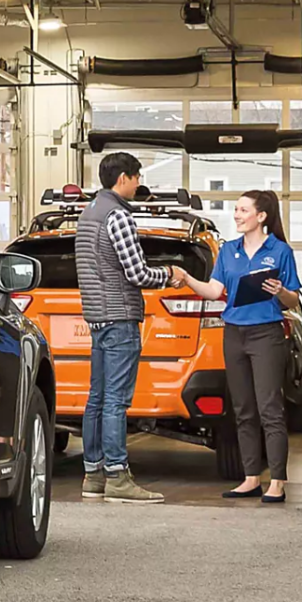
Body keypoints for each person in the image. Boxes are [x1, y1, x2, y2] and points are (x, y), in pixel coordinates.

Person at [174, 190, 301, 503]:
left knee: (270, 408)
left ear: (261, 216)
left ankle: (278, 482)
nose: (236, 215)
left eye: (243, 210)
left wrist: (280, 290)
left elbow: (293, 298)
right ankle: (250, 479)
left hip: (266, 335)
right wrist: (189, 278)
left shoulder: (280, 251)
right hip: (234, 334)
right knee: (243, 409)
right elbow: (214, 290)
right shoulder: (228, 251)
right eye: (236, 209)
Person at [76, 152, 174, 503]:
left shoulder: (88, 214)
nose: (138, 183)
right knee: (116, 400)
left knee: (97, 399)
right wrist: (170, 276)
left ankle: (94, 475)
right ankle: (118, 476)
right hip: (119, 317)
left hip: (98, 317)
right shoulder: (118, 216)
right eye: (136, 177)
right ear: (122, 179)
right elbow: (138, 274)